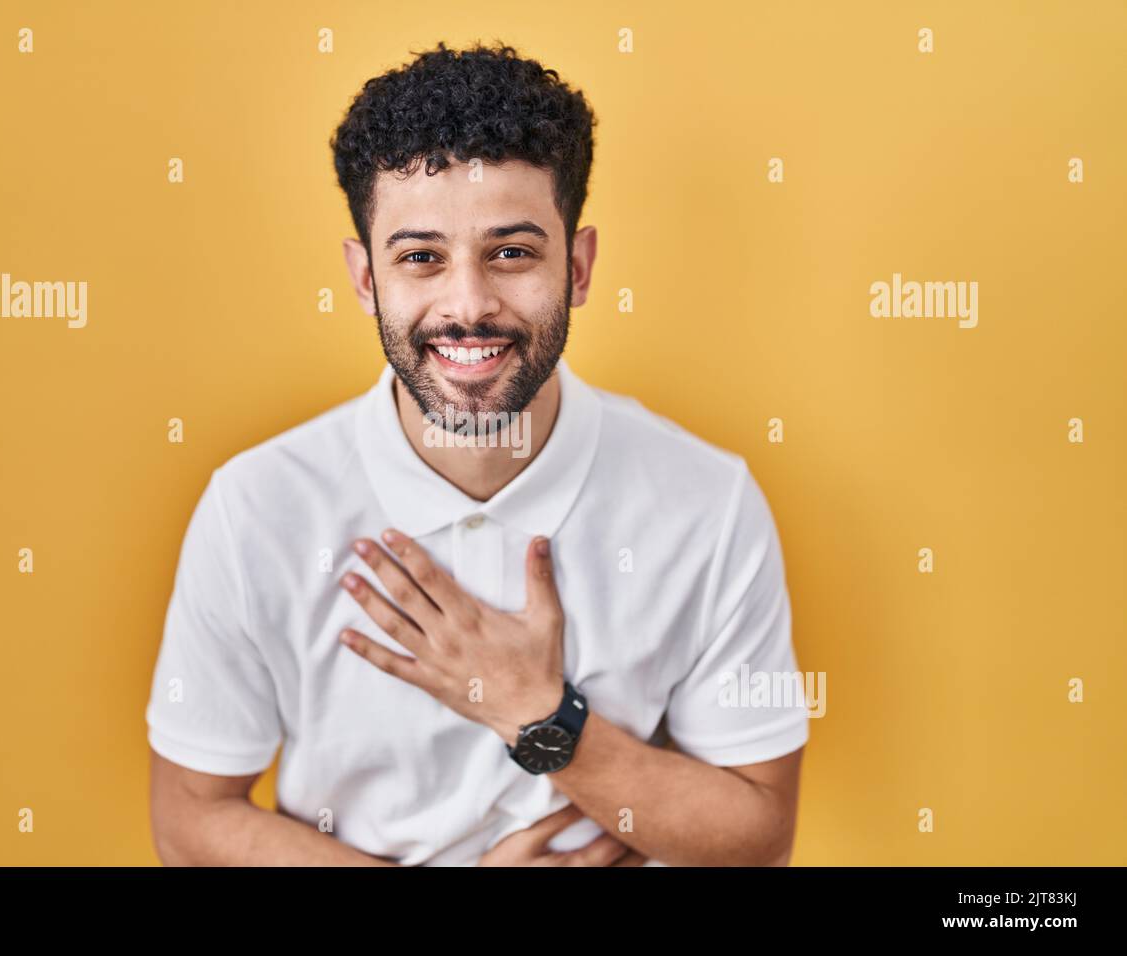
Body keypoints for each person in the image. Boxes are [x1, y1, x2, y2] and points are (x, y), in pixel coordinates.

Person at [146, 40, 808, 866]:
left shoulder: (708, 501)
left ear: (578, 265)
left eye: (512, 252)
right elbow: (189, 822)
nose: (467, 304)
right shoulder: (256, 508)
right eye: (420, 257)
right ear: (364, 279)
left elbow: (759, 839)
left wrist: (540, 716)